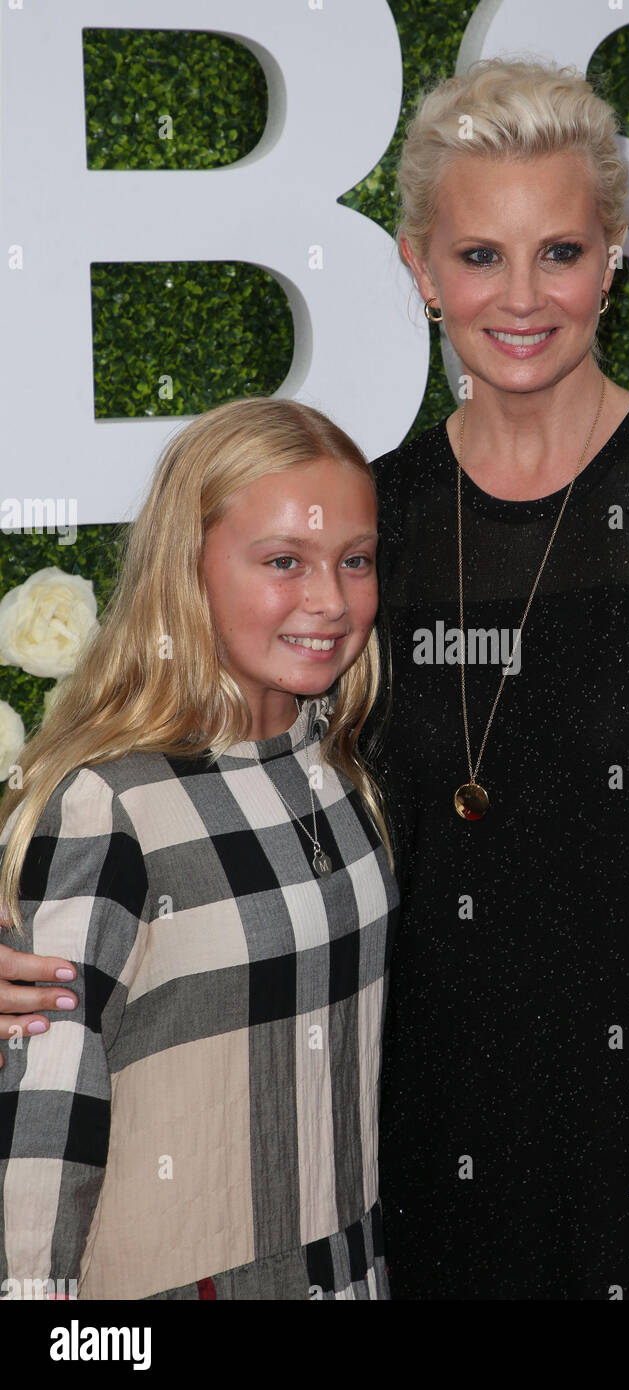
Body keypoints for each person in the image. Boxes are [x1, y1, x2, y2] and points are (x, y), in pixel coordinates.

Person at [0, 58, 629, 1301]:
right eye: (477, 258)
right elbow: (184, 763)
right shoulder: (373, 524)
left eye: (560, 251)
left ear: (613, 256)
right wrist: (35, 931)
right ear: (419, 268)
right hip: (405, 1163)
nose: (521, 298)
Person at [0, 397, 398, 1299]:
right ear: (188, 569)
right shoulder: (111, 800)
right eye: (284, 562)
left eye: (355, 561)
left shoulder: (341, 770)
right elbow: (46, 1116)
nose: (330, 601)